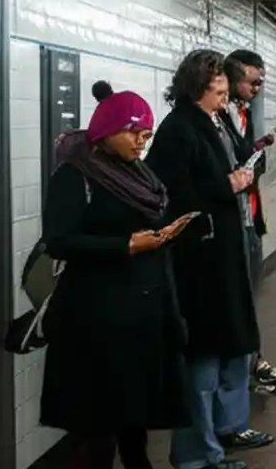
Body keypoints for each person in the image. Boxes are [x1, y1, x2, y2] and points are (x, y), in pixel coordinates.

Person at [39, 81, 193, 469]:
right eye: (134, 132)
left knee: (133, 424)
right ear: (106, 132)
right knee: (96, 430)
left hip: (141, 316)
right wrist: (125, 245)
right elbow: (59, 241)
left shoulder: (139, 173)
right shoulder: (76, 177)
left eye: (146, 134)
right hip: (94, 320)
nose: (141, 141)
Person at [146, 50, 273, 469]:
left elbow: (235, 161)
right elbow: (170, 199)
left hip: (221, 257)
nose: (224, 99)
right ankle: (197, 456)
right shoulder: (178, 131)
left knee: (225, 351)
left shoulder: (213, 121)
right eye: (218, 91)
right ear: (196, 88)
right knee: (201, 361)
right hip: (197, 265)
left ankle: (216, 440)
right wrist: (226, 185)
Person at [220, 49, 276, 394]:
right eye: (253, 82)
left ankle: (252, 360)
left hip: (250, 216)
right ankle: (247, 366)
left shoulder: (241, 114)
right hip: (235, 221)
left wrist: (257, 148)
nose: (258, 89)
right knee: (241, 299)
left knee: (249, 295)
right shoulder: (221, 118)